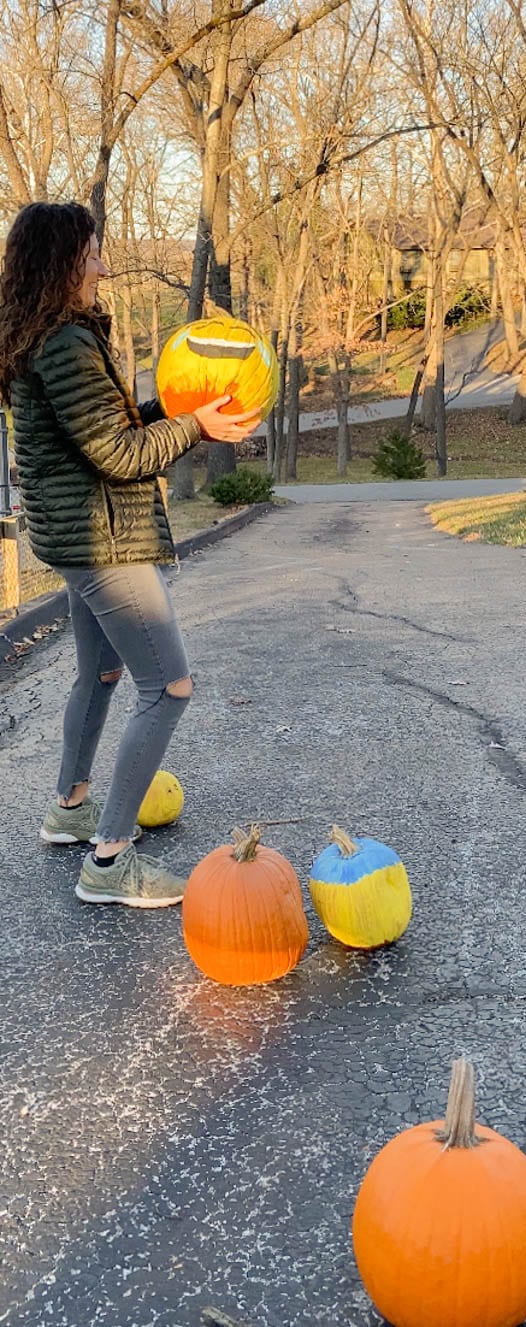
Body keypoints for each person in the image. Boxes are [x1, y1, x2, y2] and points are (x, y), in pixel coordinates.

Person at [0, 201, 260, 908]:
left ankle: (70, 808)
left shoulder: (46, 338)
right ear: (62, 264)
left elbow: (101, 430)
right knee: (168, 687)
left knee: (102, 671)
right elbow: (118, 454)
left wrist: (177, 415)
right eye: (92, 254)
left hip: (77, 537)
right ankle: (110, 861)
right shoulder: (65, 344)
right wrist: (195, 427)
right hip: (102, 541)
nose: (104, 266)